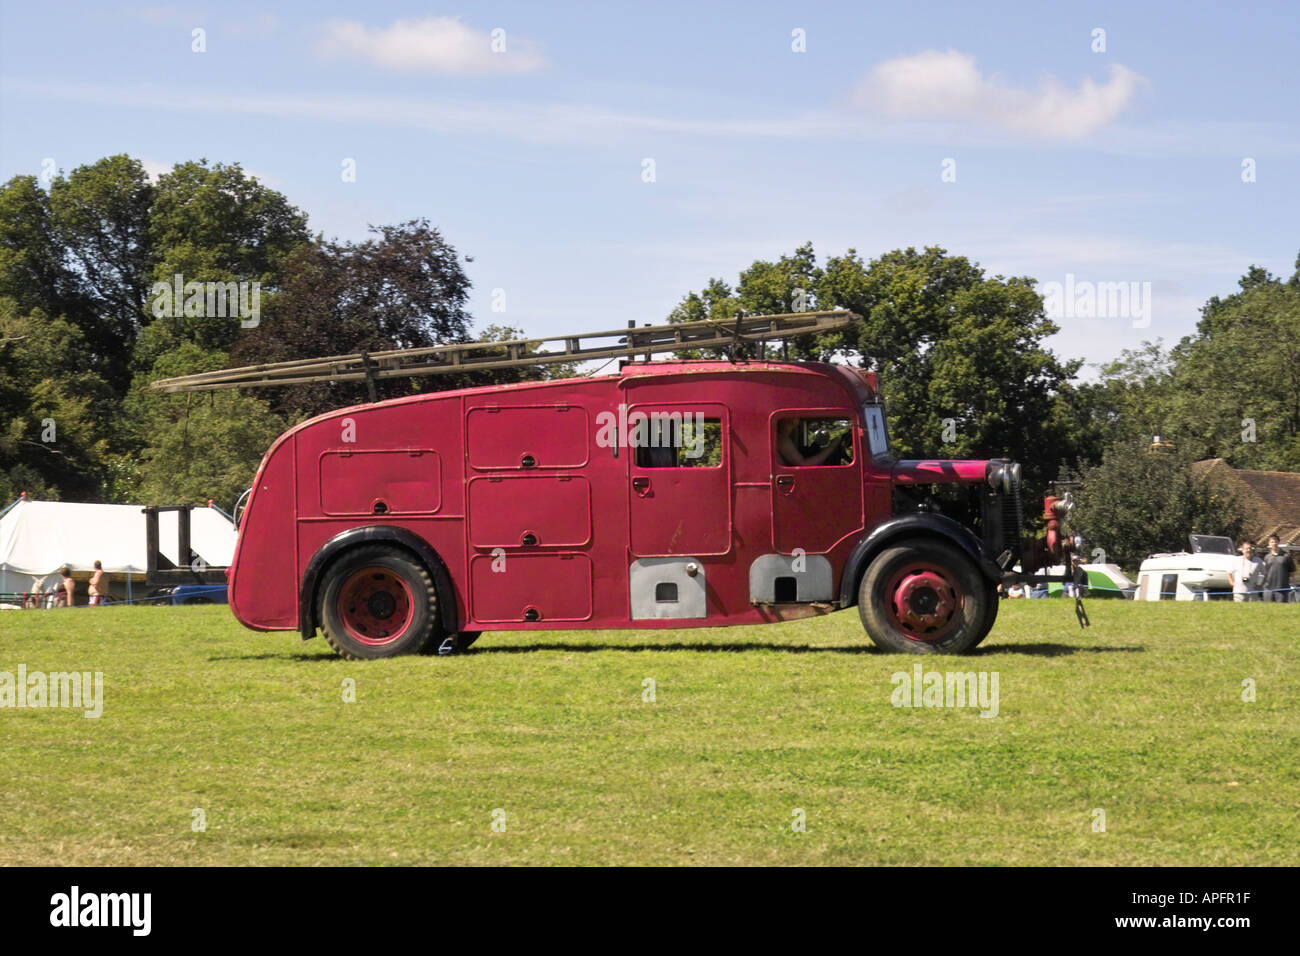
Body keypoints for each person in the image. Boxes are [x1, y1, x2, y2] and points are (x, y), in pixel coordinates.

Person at [776, 418, 845, 467]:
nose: (798, 420)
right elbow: (804, 464)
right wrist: (832, 446)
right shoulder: (780, 439)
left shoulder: (781, 438)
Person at [1259, 535, 1295, 603]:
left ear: (1278, 542)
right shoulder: (1267, 557)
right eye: (1272, 542)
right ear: (1269, 543)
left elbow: (1292, 572)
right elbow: (1265, 573)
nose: (1274, 544)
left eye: (1275, 542)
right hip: (1268, 589)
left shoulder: (1286, 556)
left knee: (1281, 611)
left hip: (1282, 589)